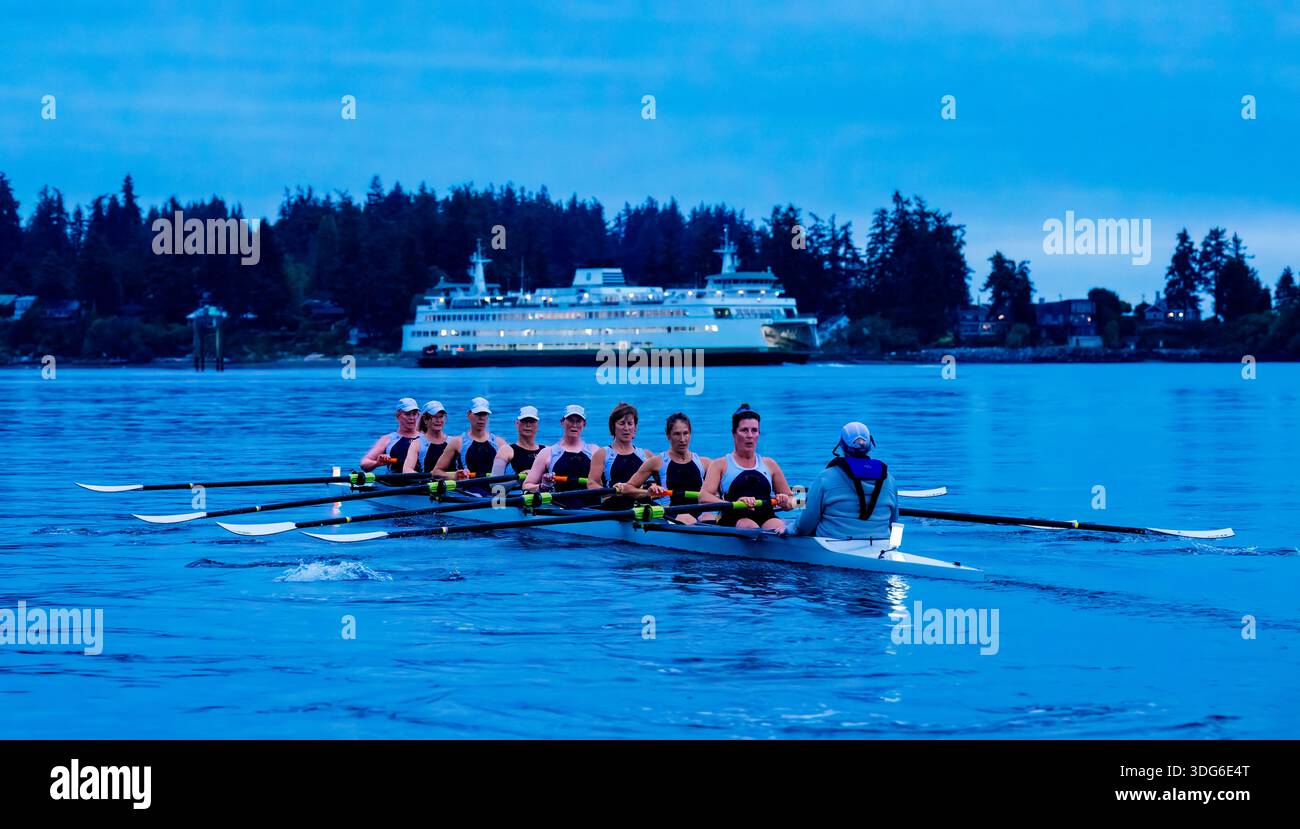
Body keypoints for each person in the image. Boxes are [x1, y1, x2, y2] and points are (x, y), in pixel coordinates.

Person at [794, 422, 898, 540]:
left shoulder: (825, 477)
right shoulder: (889, 479)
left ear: (841, 446)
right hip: (880, 544)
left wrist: (790, 529)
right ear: (870, 446)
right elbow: (894, 523)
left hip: (832, 543)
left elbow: (804, 526)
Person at [698, 403, 794, 531]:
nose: (750, 435)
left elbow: (793, 500)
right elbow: (703, 497)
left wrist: (785, 501)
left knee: (777, 525)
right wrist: (733, 504)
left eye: (754, 430)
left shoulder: (770, 464)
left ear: (759, 433)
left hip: (767, 516)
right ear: (734, 433)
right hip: (734, 519)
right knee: (748, 525)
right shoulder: (720, 464)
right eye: (744, 430)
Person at [619, 412, 711, 524]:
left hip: (699, 514)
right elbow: (628, 489)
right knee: (687, 519)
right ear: (668, 435)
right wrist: (647, 493)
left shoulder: (704, 463)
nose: (682, 439)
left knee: (708, 517)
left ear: (690, 434)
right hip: (669, 513)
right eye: (677, 434)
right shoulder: (656, 462)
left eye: (685, 433)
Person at [589, 402, 657, 509]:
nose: (626, 428)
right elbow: (592, 484)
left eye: (630, 424)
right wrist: (611, 492)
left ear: (635, 428)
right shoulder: (602, 453)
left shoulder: (646, 455)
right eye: (621, 423)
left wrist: (654, 488)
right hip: (615, 504)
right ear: (613, 426)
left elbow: (664, 482)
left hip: (643, 505)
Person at [523, 405, 597, 494]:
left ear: (584, 424)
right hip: (559, 506)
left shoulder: (594, 451)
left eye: (578, 421)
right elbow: (526, 486)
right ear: (562, 422)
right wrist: (543, 486)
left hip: (592, 506)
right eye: (570, 420)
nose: (574, 425)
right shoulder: (547, 453)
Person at [430, 397, 508, 480]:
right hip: (467, 489)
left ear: (488, 416)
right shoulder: (457, 442)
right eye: (477, 414)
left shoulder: (500, 443)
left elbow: (513, 469)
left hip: (494, 488)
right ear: (469, 415)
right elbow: (436, 472)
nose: (481, 418)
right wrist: (454, 476)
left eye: (484, 414)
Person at [359, 397, 421, 474]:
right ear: (398, 416)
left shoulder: (426, 439)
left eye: (414, 414)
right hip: (393, 483)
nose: (411, 418)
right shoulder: (388, 439)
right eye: (407, 414)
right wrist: (377, 463)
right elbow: (364, 463)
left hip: (421, 482)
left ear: (418, 415)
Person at [493, 405, 546, 476]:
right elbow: (494, 484)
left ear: (537, 426)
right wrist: (518, 479)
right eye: (524, 421)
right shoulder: (506, 451)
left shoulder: (546, 451)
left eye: (532, 421)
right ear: (517, 424)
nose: (528, 425)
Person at [402, 400, 449, 474]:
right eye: (434, 417)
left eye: (441, 417)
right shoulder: (416, 444)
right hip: (428, 483)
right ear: (425, 420)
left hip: (454, 483)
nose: (439, 420)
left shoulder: (454, 442)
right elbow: (407, 470)